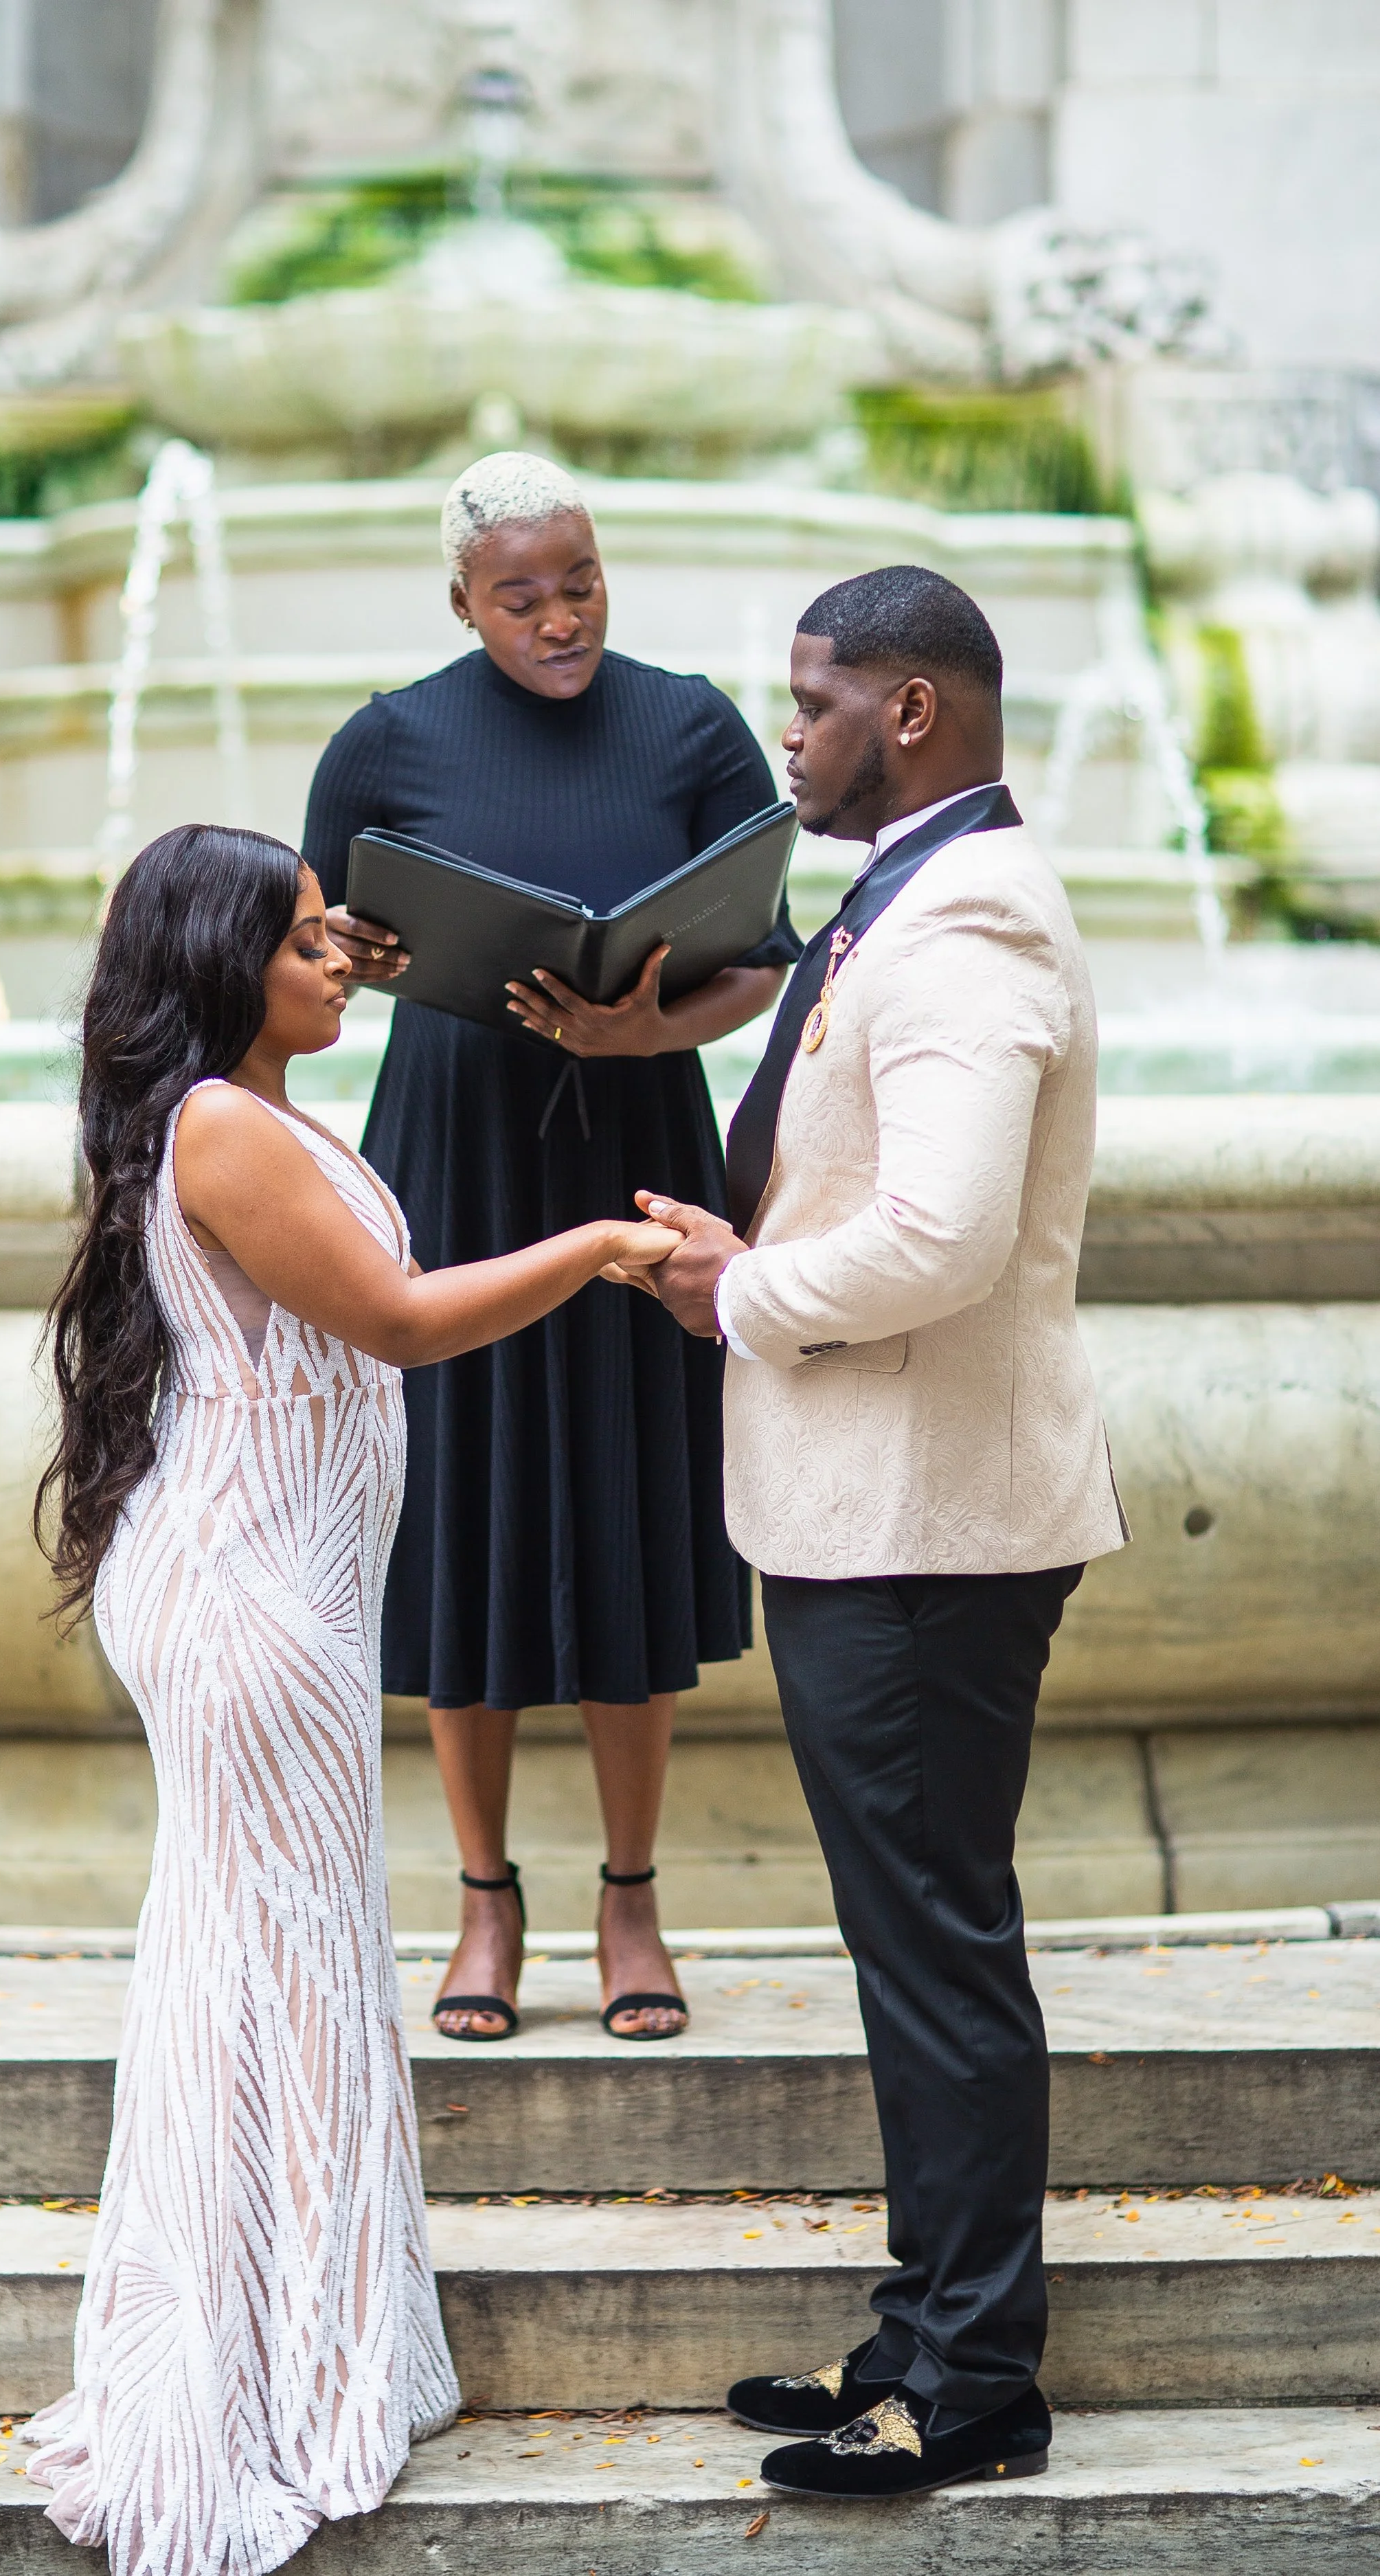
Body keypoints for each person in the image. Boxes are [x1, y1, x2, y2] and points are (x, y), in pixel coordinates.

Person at [23, 822, 681, 2575]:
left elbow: (334, 1266)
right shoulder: (229, 1127)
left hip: (276, 1587)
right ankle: (244, 2377)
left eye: (342, 934)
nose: (343, 953)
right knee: (269, 1963)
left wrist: (331, 973)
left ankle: (310, 2343)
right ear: (222, 962)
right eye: (310, 936)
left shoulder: (244, 1102)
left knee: (277, 1953)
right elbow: (389, 1317)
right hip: (245, 1599)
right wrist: (598, 1251)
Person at [615, 566, 1129, 2498]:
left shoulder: (970, 913)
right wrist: (748, 1248)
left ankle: (976, 2378)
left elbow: (944, 1235)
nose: (788, 733)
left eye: (812, 700)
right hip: (882, 1513)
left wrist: (741, 1295)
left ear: (909, 710)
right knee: (912, 1935)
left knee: (935, 1944)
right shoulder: (909, 886)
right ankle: (923, 2324)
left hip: (926, 1531)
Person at [303, 450, 800, 2042]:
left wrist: (646, 1027)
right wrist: (362, 952)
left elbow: (762, 966)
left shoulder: (688, 724)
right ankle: (481, 1905)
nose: (559, 615)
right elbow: (314, 949)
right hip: (449, 1155)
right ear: (462, 601)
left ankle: (632, 1901)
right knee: (463, 1514)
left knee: (625, 1504)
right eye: (520, 595)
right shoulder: (387, 738)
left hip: (639, 1145)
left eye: (577, 581)